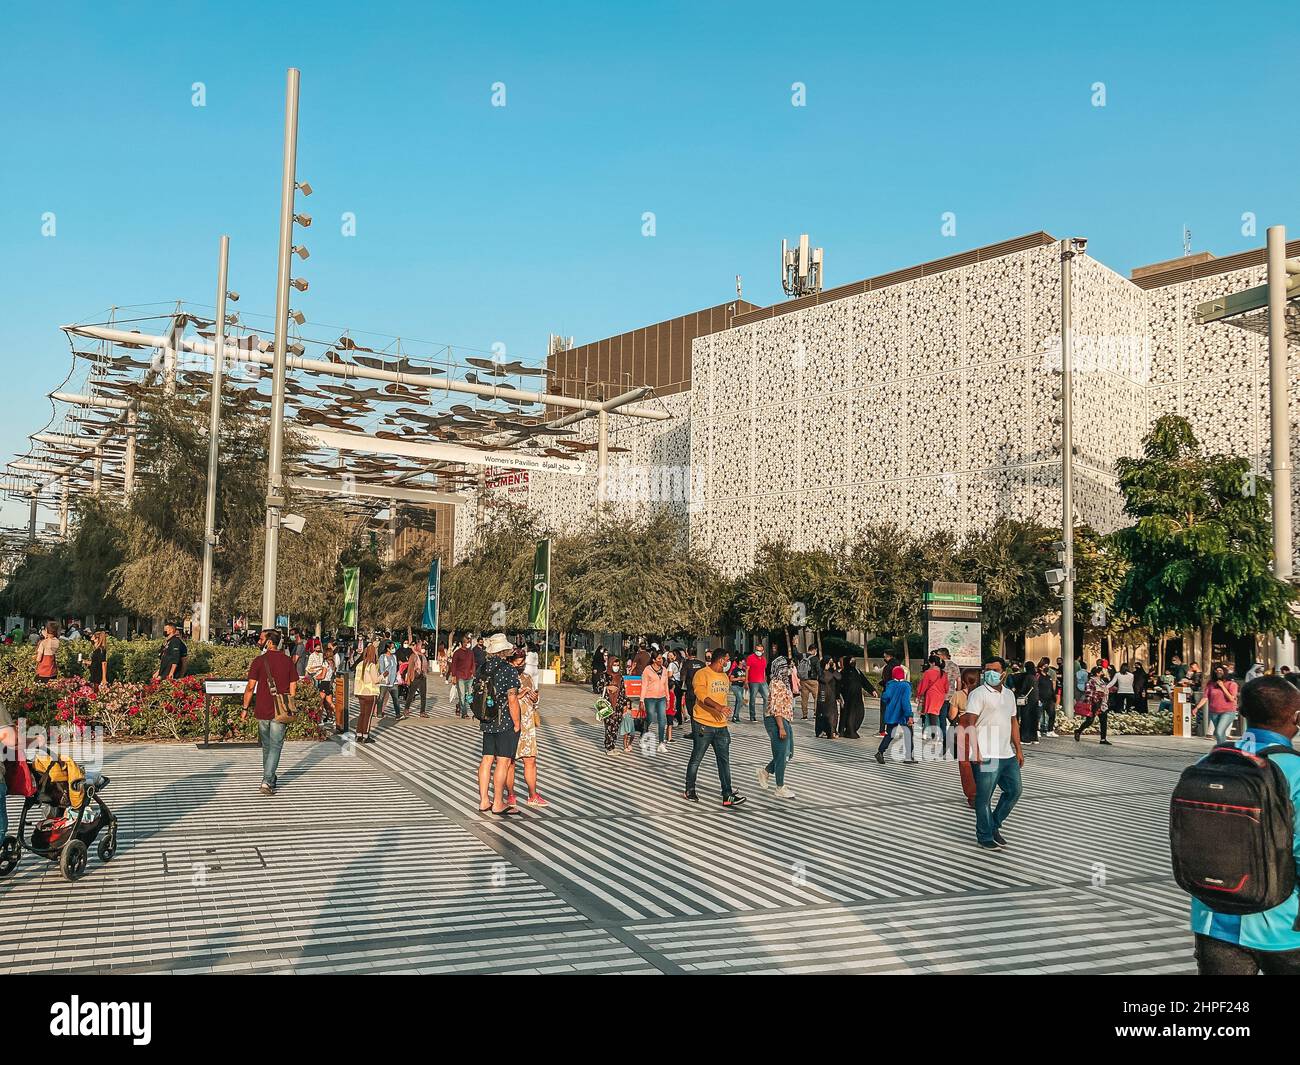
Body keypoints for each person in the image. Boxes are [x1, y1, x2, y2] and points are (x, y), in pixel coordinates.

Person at [1187, 677, 1300, 974]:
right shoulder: (1295, 770)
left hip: (1213, 918)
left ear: (1242, 712)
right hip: (1284, 924)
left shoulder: (1208, 761)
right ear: (1296, 718)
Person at [962, 657, 1023, 849]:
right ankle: (985, 836)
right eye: (987, 670)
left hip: (1007, 754)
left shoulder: (1009, 695)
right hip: (985, 753)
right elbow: (970, 723)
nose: (991, 673)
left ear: (1003, 673)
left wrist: (1019, 750)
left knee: (1014, 791)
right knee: (984, 797)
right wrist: (976, 750)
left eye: (995, 670)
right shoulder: (978, 694)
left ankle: (993, 824)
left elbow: (1013, 722)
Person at [685, 649, 746, 807]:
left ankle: (727, 794)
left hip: (721, 726)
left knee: (724, 761)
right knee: (696, 758)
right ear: (720, 660)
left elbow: (723, 697)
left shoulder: (724, 677)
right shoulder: (702, 674)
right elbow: (702, 696)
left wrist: (724, 710)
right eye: (727, 659)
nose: (728, 662)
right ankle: (690, 789)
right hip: (703, 724)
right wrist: (719, 707)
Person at [242, 629, 297, 796]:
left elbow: (250, 687)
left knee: (267, 746)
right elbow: (293, 687)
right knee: (275, 746)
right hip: (280, 711)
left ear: (269, 642)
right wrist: (287, 702)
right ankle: (267, 780)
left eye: (261, 638)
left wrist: (244, 708)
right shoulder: (287, 661)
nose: (259, 641)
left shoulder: (259, 661)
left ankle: (269, 778)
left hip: (262, 709)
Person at [476, 633, 523, 815]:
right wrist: (517, 723)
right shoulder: (508, 670)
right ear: (505, 651)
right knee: (502, 761)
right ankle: (498, 803)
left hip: (486, 718)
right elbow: (512, 698)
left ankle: (483, 801)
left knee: (487, 759)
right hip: (504, 720)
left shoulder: (483, 667)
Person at [509, 647, 547, 807]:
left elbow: (535, 701)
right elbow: (502, 701)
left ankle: (533, 794)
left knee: (530, 760)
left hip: (527, 723)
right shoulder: (505, 676)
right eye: (518, 662)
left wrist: (535, 697)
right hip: (510, 723)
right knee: (509, 761)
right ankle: (510, 794)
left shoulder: (527, 677)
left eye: (523, 662)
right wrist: (518, 696)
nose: (521, 665)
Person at [757, 653, 796, 798]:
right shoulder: (776, 683)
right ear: (779, 668)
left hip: (784, 719)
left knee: (789, 753)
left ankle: (766, 771)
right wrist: (780, 727)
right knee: (781, 754)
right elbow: (776, 706)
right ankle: (780, 787)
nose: (788, 669)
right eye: (786, 667)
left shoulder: (784, 682)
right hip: (776, 720)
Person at [950, 667, 981, 807]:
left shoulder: (958, 695)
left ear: (963, 681)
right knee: (982, 760)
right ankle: (983, 791)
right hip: (981, 727)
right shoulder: (982, 694)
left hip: (964, 727)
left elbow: (952, 715)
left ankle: (972, 795)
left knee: (965, 763)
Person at [875, 665, 916, 763]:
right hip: (902, 714)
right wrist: (909, 715)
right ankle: (908, 756)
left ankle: (880, 752)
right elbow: (905, 702)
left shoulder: (890, 684)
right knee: (908, 733)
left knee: (890, 734)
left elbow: (885, 697)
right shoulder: (906, 686)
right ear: (903, 675)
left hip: (892, 713)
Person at [1195, 665, 1240, 744]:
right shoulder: (1211, 684)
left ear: (1225, 672)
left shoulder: (1232, 684)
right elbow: (1205, 697)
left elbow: (1231, 698)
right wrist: (1197, 707)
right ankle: (1222, 749)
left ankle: (1222, 749)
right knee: (1219, 734)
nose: (1218, 672)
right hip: (1214, 712)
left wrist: (1222, 686)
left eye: (1220, 671)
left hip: (1228, 711)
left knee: (1219, 731)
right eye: (1216, 671)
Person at [915, 652, 947, 750]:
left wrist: (918, 695)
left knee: (932, 716)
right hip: (941, 696)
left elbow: (923, 686)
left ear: (932, 663)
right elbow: (946, 688)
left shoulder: (928, 673)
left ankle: (935, 737)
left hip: (931, 696)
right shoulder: (944, 673)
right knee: (935, 715)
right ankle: (936, 736)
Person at [641, 648, 670, 753]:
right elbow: (644, 686)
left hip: (661, 697)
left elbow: (666, 684)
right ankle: (644, 728)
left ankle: (661, 743)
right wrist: (641, 700)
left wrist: (668, 698)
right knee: (650, 717)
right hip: (650, 697)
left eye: (661, 658)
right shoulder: (647, 670)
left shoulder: (665, 670)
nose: (661, 660)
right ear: (653, 660)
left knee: (662, 720)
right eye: (658, 658)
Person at [839, 657, 873, 738]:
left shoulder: (857, 671)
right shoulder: (843, 672)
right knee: (849, 714)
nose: (853, 662)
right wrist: (839, 697)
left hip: (857, 698)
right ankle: (849, 731)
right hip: (847, 698)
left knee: (860, 713)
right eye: (851, 660)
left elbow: (865, 682)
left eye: (854, 660)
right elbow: (839, 685)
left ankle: (852, 729)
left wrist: (872, 690)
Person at [354, 642, 381, 743]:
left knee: (362, 714)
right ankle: (366, 735)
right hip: (370, 693)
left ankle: (358, 734)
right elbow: (375, 680)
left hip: (361, 692)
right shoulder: (372, 665)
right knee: (368, 716)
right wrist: (383, 676)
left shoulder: (360, 664)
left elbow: (357, 679)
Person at [602, 657, 627, 754]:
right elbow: (599, 687)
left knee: (616, 725)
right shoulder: (605, 675)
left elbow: (623, 691)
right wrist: (608, 687)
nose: (616, 667)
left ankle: (613, 746)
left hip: (618, 704)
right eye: (614, 665)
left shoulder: (620, 677)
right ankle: (608, 747)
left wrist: (625, 705)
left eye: (617, 665)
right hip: (607, 704)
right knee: (609, 726)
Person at [1012, 661, 1040, 745]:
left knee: (1026, 719)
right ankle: (1034, 738)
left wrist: (1018, 692)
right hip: (1034, 701)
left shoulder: (1027, 677)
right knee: (1034, 719)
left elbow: (1023, 688)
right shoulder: (1034, 677)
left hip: (1027, 701)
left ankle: (1025, 738)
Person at [449, 635, 477, 717]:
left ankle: (459, 705)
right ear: (461, 643)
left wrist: (473, 672)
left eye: (468, 642)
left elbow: (473, 663)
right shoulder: (457, 653)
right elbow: (453, 665)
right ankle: (464, 713)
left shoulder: (471, 652)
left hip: (469, 676)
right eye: (465, 642)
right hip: (460, 676)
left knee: (468, 695)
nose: (467, 644)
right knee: (461, 694)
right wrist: (453, 676)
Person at [815, 656, 841, 739]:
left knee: (833, 715)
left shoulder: (832, 672)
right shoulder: (821, 672)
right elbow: (824, 679)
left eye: (832, 661)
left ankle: (832, 730)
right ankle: (821, 730)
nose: (831, 663)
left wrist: (834, 669)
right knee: (823, 714)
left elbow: (839, 677)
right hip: (823, 696)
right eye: (829, 661)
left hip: (832, 697)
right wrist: (826, 670)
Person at [403, 639, 430, 717]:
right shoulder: (413, 656)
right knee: (411, 694)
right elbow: (410, 668)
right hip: (415, 677)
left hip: (423, 677)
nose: (423, 649)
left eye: (424, 647)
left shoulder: (424, 657)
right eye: (422, 647)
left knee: (423, 695)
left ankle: (422, 711)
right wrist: (408, 679)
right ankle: (406, 709)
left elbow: (426, 668)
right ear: (418, 647)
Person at [378, 641, 402, 720]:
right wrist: (385, 678)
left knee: (395, 698)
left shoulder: (394, 656)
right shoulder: (382, 657)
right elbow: (381, 669)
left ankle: (398, 714)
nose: (393, 649)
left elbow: (395, 667)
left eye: (394, 647)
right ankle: (379, 713)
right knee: (381, 697)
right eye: (392, 648)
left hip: (394, 680)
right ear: (388, 649)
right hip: (385, 681)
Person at [745, 642, 768, 722]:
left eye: (760, 650)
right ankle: (752, 716)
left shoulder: (764, 659)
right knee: (753, 699)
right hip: (753, 681)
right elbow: (747, 669)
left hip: (762, 681)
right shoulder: (750, 658)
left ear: (763, 651)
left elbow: (764, 670)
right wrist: (746, 681)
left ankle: (766, 715)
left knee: (766, 697)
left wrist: (765, 679)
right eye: (757, 650)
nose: (758, 651)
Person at [1036, 659, 1058, 737]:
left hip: (1049, 699)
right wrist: (1037, 698)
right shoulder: (1038, 676)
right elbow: (1036, 687)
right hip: (1041, 699)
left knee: (1052, 714)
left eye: (1047, 666)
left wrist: (1054, 697)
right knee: (1038, 716)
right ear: (1040, 668)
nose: (1046, 667)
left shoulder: (1049, 677)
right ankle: (1037, 730)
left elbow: (1051, 687)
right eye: (1044, 666)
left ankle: (1050, 730)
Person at [798, 649, 821, 720]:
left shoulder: (802, 656)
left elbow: (795, 653)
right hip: (813, 681)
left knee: (804, 699)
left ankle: (804, 715)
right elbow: (818, 669)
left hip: (803, 680)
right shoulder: (815, 658)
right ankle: (815, 713)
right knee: (816, 697)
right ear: (814, 650)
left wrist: (794, 645)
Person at [727, 652, 747, 724]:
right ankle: (735, 716)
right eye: (743, 661)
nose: (745, 662)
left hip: (741, 687)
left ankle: (736, 716)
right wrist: (739, 678)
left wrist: (745, 683)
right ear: (740, 662)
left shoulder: (744, 670)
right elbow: (731, 679)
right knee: (740, 700)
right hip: (735, 686)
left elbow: (745, 678)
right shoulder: (735, 670)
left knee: (739, 702)